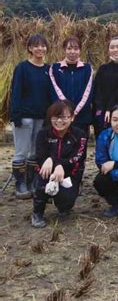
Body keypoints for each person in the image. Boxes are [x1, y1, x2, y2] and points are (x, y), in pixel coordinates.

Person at [31, 100, 88, 227]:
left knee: (66, 200)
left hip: (69, 174)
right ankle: (37, 212)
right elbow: (40, 156)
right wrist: (55, 165)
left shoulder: (80, 135)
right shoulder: (43, 134)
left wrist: (56, 163)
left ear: (72, 117)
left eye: (64, 117)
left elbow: (78, 158)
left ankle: (64, 206)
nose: (59, 121)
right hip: (47, 172)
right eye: (55, 117)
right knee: (41, 185)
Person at [9, 34, 52, 198]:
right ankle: (20, 184)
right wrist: (16, 116)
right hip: (24, 117)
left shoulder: (49, 70)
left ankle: (32, 181)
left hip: (41, 117)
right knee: (21, 151)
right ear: (30, 48)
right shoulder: (22, 68)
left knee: (35, 152)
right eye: (36, 46)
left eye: (43, 45)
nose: (40, 49)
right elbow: (16, 92)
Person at [49, 36, 94, 136]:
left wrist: (76, 111)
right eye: (69, 48)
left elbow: (88, 92)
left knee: (80, 144)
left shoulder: (87, 68)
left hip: (82, 116)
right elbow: (54, 90)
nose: (72, 52)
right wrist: (66, 111)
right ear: (64, 49)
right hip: (61, 116)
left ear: (80, 50)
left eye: (76, 49)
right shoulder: (55, 68)